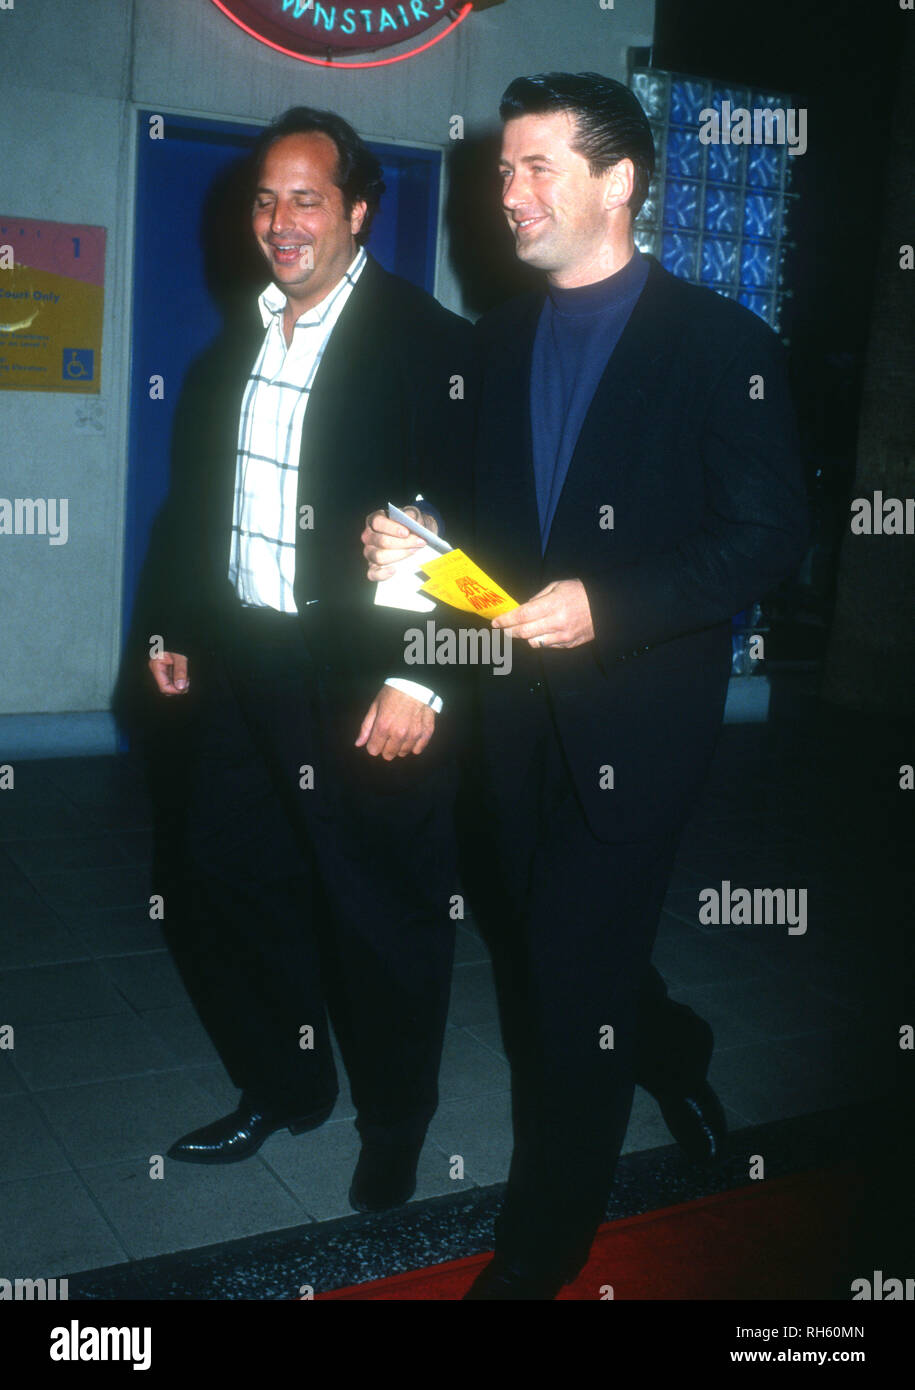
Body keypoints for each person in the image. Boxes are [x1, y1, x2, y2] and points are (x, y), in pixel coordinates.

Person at [363, 71, 808, 1296]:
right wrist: (409, 543)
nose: (509, 194)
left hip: (639, 722)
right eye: (502, 170)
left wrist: (611, 603)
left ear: (619, 182)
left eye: (537, 167)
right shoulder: (492, 343)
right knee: (553, 946)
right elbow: (466, 524)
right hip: (509, 720)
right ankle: (671, 1041)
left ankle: (540, 1251)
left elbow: (770, 535)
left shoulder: (724, 346)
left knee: (564, 991)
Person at [144, 106, 472, 1213]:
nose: (281, 222)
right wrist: (172, 627)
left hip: (366, 681)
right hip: (243, 666)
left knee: (379, 915)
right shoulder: (243, 336)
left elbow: (482, 533)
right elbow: (197, 508)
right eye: (265, 199)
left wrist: (425, 675)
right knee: (223, 891)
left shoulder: (427, 346)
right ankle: (285, 1086)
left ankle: (394, 1126)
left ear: (359, 211)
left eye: (307, 199)